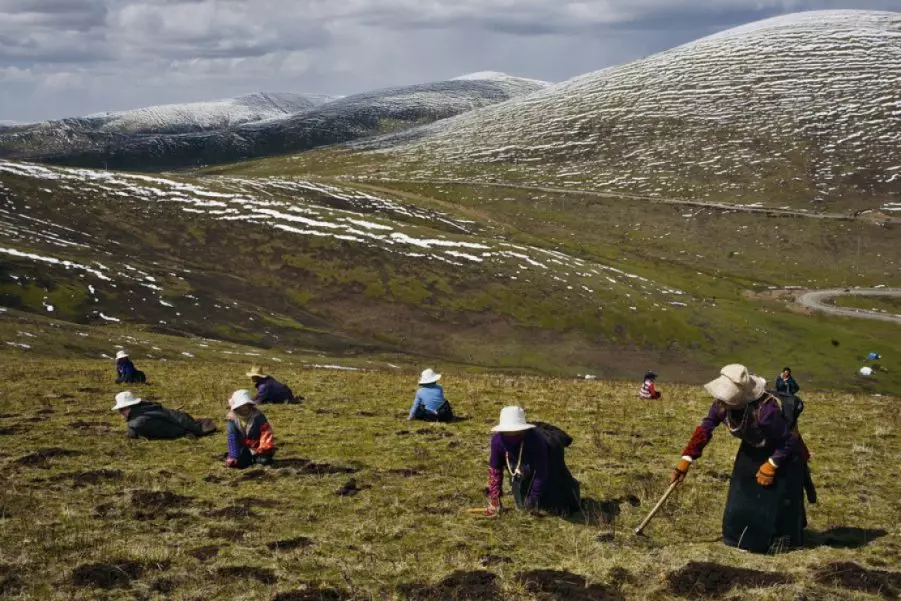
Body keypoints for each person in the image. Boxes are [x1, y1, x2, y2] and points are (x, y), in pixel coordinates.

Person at [670, 364, 806, 553]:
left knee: (771, 500)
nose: (721, 402)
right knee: (740, 493)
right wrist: (687, 457)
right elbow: (707, 426)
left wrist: (772, 464)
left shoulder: (766, 412)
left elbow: (788, 441)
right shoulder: (721, 405)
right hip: (751, 448)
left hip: (781, 452)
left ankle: (770, 543)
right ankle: (737, 539)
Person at [485, 406, 580, 517]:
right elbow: (495, 470)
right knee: (522, 505)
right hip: (519, 466)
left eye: (515, 430)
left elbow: (541, 472)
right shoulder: (497, 441)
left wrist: (533, 498)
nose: (511, 434)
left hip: (549, 458)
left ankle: (571, 491)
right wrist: (494, 498)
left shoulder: (536, 440)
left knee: (554, 504)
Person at [112, 391, 215, 439]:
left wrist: (184, 433)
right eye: (120, 409)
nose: (120, 412)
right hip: (182, 419)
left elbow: (165, 431)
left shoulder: (138, 422)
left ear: (130, 406)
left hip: (181, 428)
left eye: (122, 409)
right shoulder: (146, 406)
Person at [225, 389, 275, 469]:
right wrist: (234, 456)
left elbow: (266, 434)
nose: (245, 408)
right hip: (242, 447)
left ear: (250, 405)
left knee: (264, 461)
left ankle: (256, 458)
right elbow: (232, 438)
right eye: (241, 406)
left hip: (258, 447)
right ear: (237, 408)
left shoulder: (258, 417)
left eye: (246, 405)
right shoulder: (232, 419)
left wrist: (262, 450)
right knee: (236, 463)